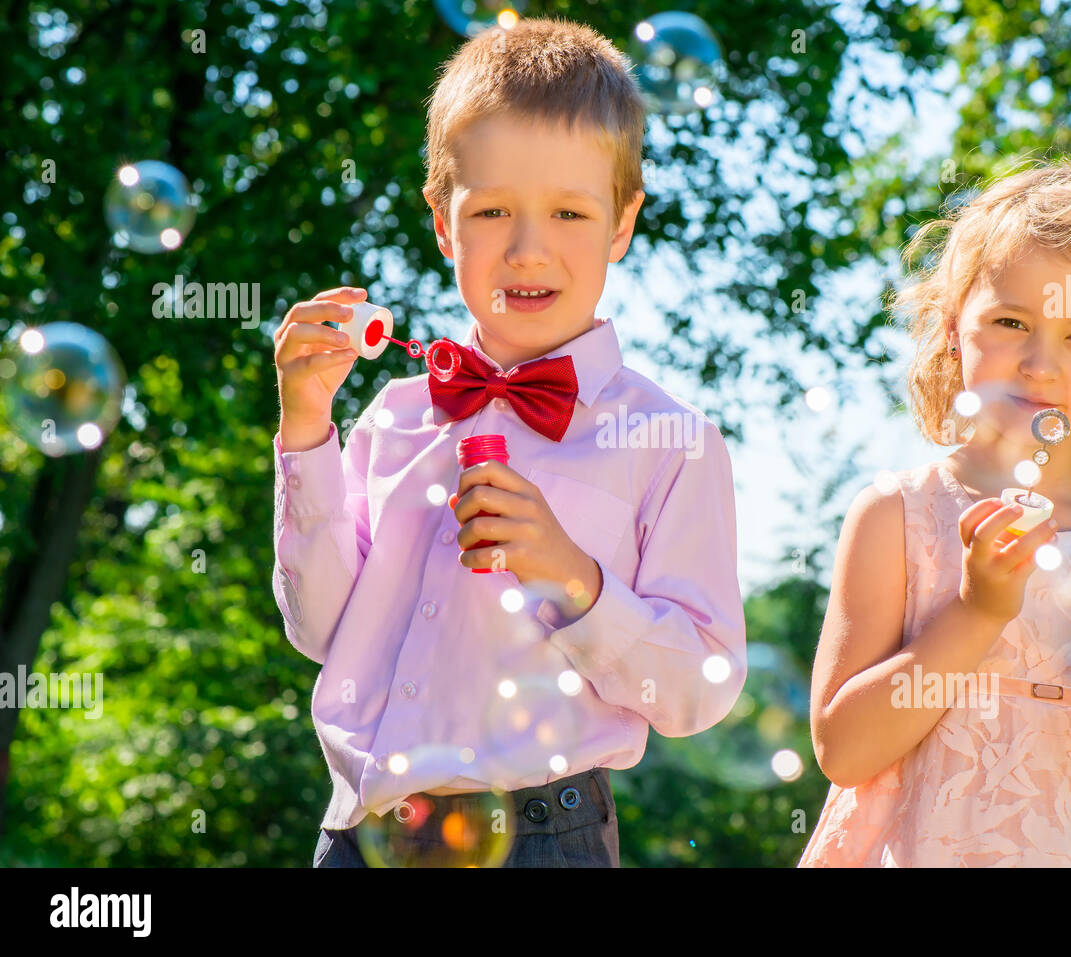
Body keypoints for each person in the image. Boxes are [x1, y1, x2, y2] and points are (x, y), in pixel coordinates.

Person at [270, 17, 746, 868]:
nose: (529, 247)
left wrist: (573, 575)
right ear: (444, 223)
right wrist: (306, 432)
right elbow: (318, 629)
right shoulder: (392, 417)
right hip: (361, 833)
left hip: (542, 836)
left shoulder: (672, 442)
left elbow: (698, 688)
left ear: (622, 222)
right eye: (491, 210)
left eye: (570, 210)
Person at [800, 159, 1071, 866]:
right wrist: (977, 611)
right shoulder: (896, 515)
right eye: (1011, 321)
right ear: (954, 326)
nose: (1039, 362)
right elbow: (844, 750)